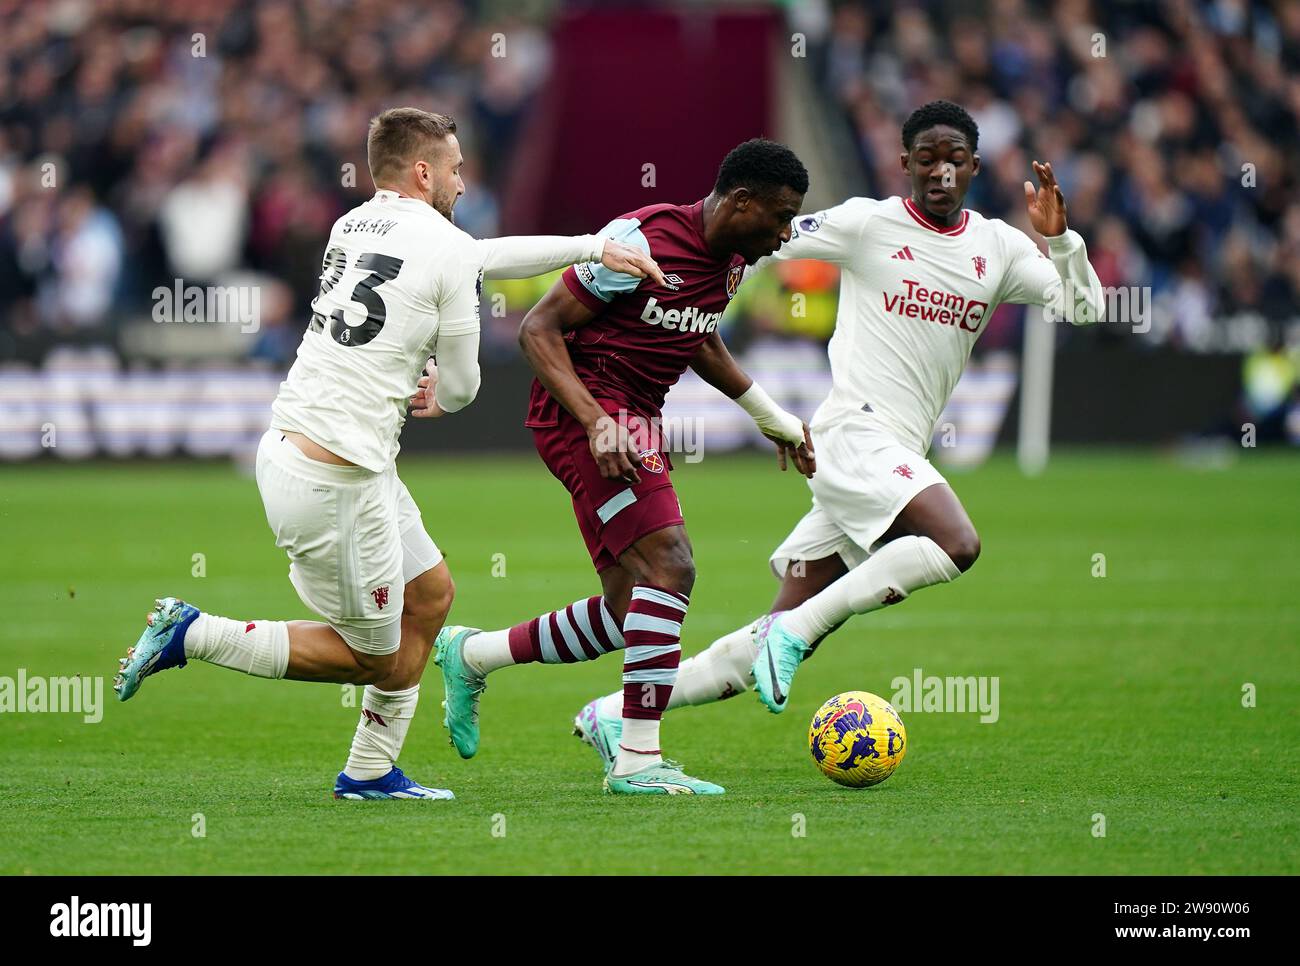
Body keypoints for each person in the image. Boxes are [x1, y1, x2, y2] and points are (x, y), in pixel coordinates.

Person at [113, 107, 668, 801]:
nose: (464, 184)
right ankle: (193, 634)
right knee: (371, 659)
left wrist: (590, 247)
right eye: (457, 169)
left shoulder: (351, 225)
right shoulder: (446, 248)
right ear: (425, 171)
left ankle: (372, 772)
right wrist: (440, 384)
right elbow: (464, 387)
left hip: (322, 453)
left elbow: (479, 254)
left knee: (432, 596)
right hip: (331, 480)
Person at [575, 100, 1107, 769]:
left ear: (975, 165)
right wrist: (651, 259)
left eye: (956, 158)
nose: (941, 171)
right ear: (906, 163)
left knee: (759, 643)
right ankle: (794, 635)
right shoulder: (866, 223)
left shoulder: (997, 249)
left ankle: (615, 714)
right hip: (852, 435)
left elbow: (1084, 310)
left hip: (888, 457)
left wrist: (1061, 242)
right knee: (955, 543)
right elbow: (754, 229)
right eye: (927, 158)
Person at [434, 139, 816, 795]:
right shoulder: (640, 241)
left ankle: (471, 655)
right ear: (742, 201)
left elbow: (695, 331)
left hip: (633, 417)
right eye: (779, 217)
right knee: (672, 565)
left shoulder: (731, 262)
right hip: (587, 413)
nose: (785, 235)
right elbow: (537, 329)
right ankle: (638, 758)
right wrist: (596, 420)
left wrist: (767, 412)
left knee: (626, 610)